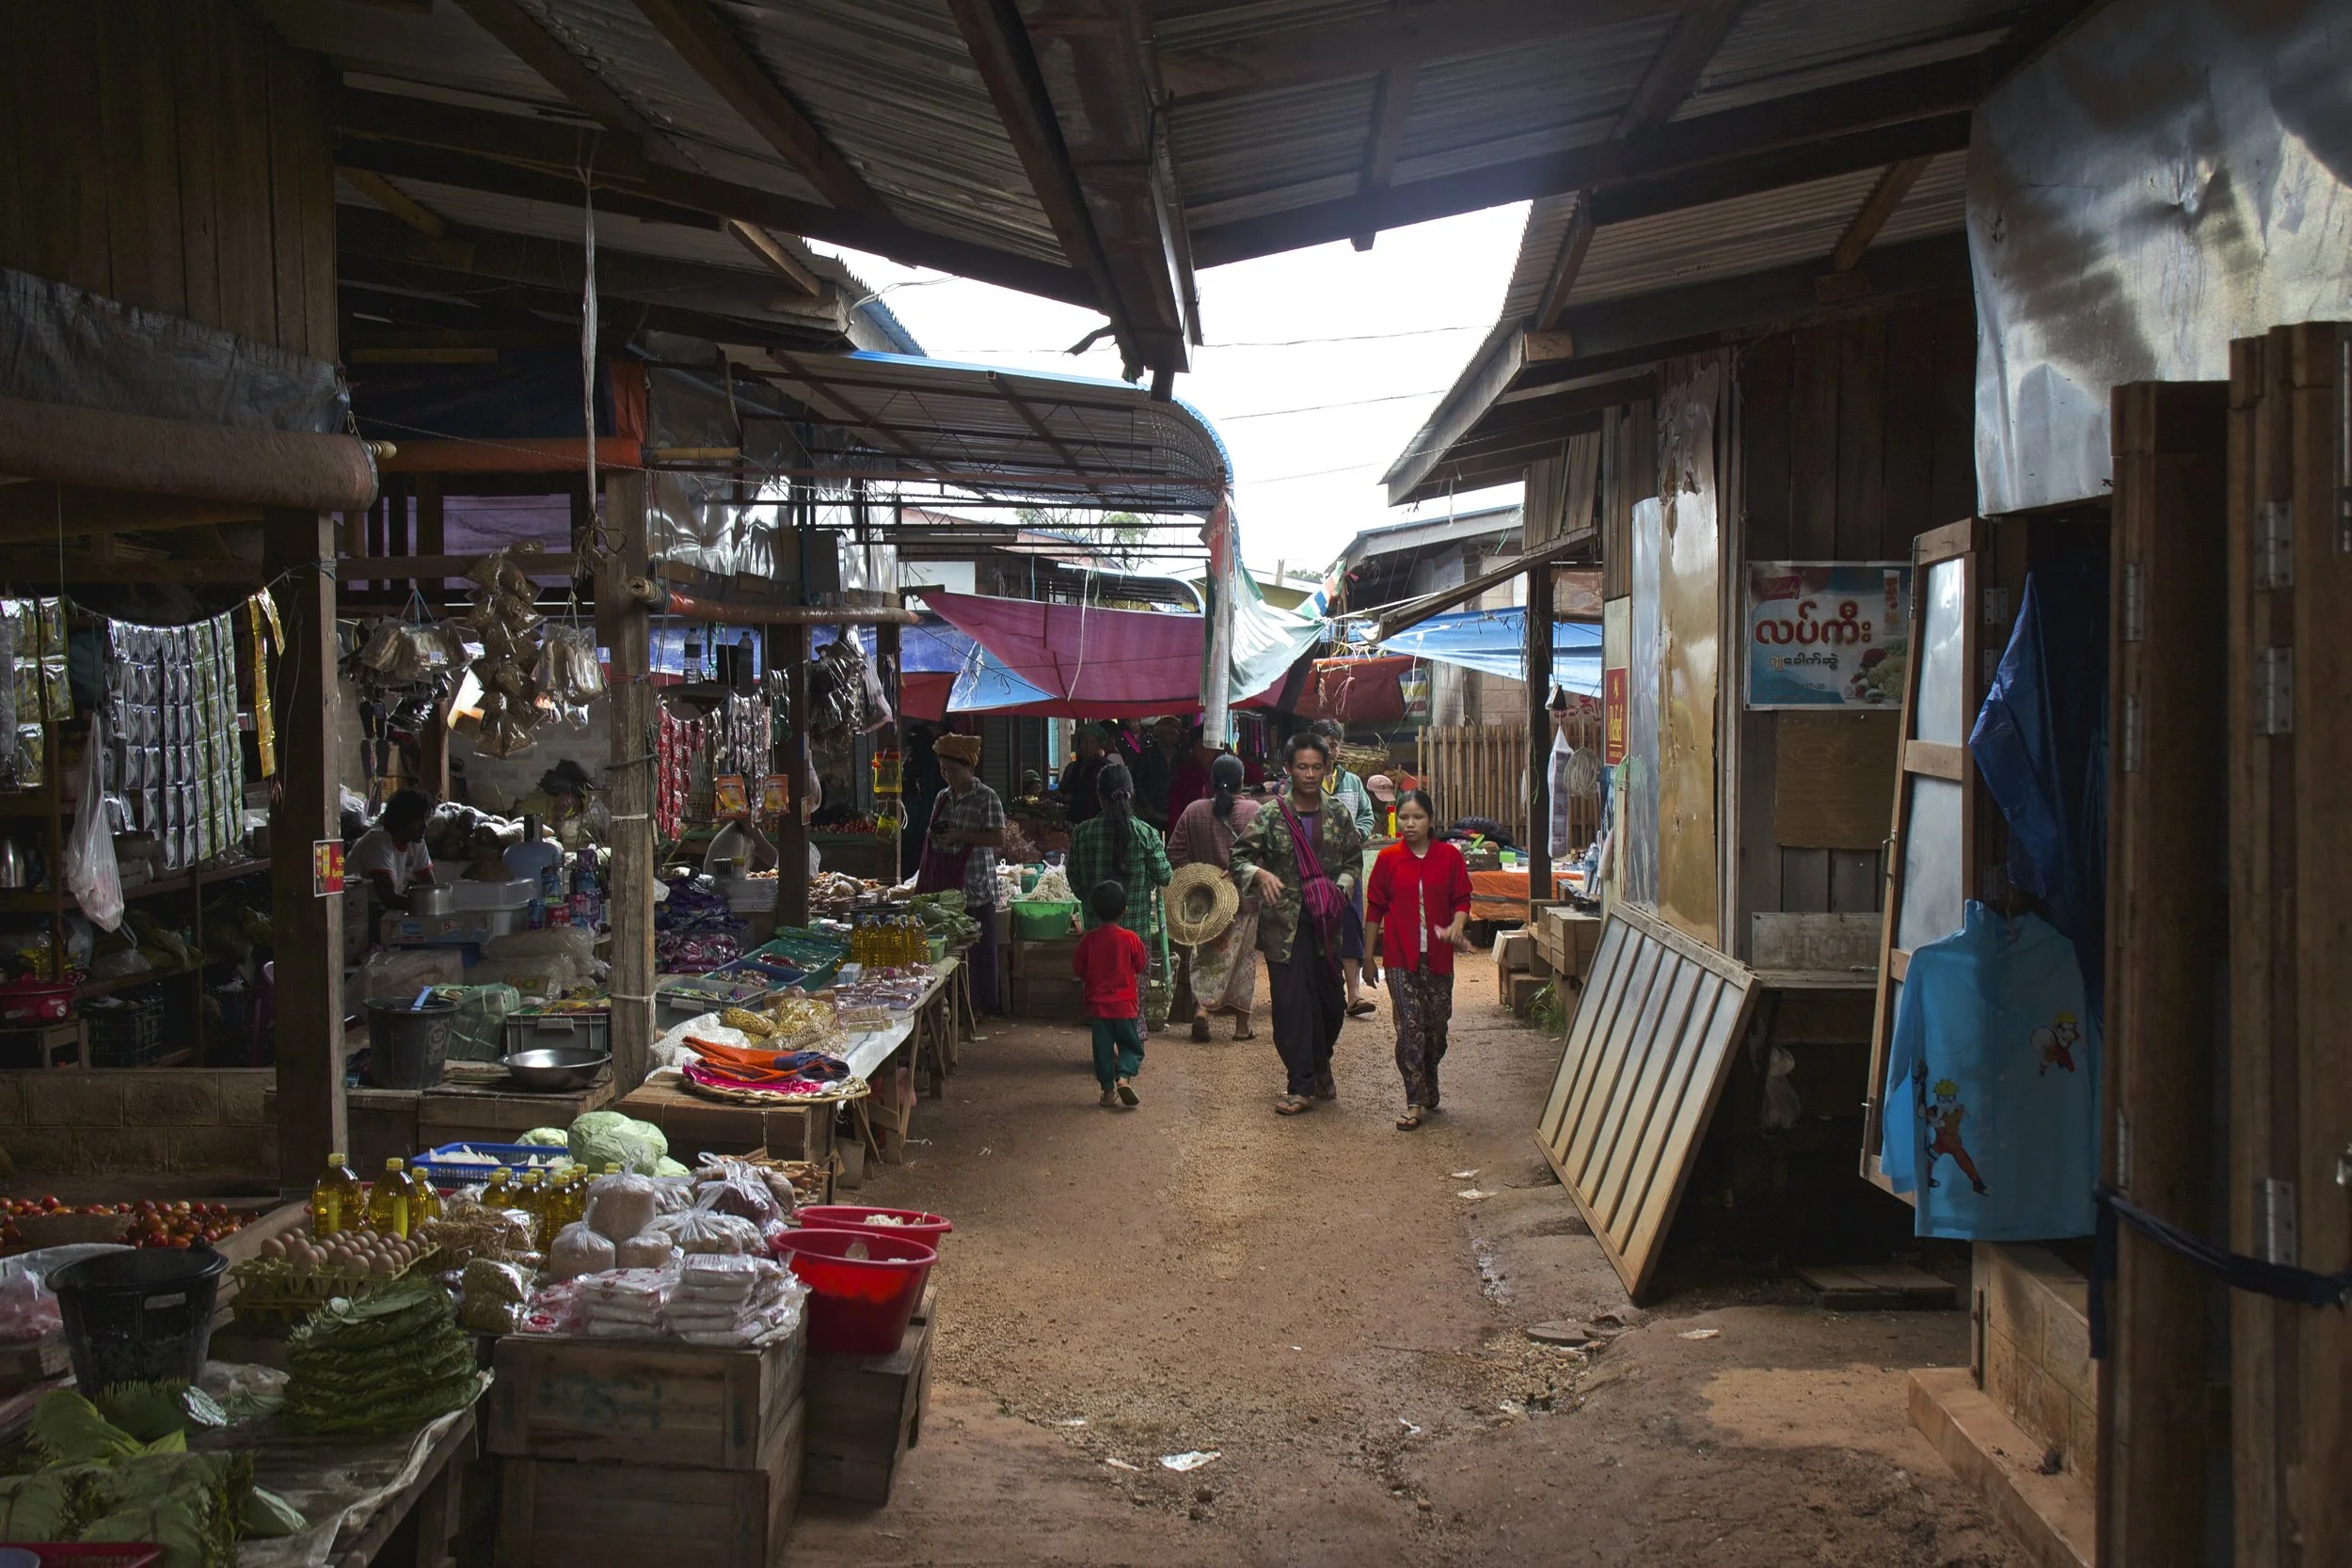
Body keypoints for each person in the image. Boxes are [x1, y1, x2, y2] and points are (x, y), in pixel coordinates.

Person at [1230, 732, 1365, 1116]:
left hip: (1327, 923)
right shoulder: (1270, 814)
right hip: (1282, 926)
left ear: (1327, 769)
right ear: (1288, 770)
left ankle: (1321, 1065)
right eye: (1302, 767)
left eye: (1316, 767)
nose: (1309, 774)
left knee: (1330, 1004)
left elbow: (1353, 860)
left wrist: (1342, 884)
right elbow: (1238, 857)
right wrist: (1259, 874)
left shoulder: (1338, 813)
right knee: (1290, 1005)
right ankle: (1300, 1083)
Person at [1363, 789, 1474, 1131]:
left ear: (1431, 820)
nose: (1410, 825)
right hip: (1399, 957)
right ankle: (1414, 1099)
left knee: (1436, 1029)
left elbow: (1462, 899)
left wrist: (1458, 924)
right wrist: (1368, 956)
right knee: (1409, 1028)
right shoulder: (1388, 859)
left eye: (1418, 817)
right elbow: (1375, 909)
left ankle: (1429, 1076)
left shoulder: (1449, 857)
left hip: (1439, 957)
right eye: (1405, 818)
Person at [1167, 752, 1262, 1041]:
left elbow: (1174, 852)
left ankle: (1202, 1010)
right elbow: (1269, 855)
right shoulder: (1255, 810)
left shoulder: (1193, 810)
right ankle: (1242, 1028)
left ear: (1210, 781)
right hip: (1245, 902)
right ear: (1242, 781)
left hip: (1206, 903)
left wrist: (1201, 876)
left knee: (1206, 958)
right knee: (1244, 962)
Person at [1068, 764, 1173, 1016]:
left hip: (1096, 933)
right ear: (1131, 792)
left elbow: (1075, 880)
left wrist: (1092, 899)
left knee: (1100, 999)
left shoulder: (1083, 833)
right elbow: (1165, 876)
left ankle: (1105, 1042)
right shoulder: (1146, 833)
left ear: (1099, 794)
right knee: (1132, 998)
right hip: (1134, 936)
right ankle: (1130, 1040)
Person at [918, 733, 1006, 1012]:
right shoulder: (943, 797)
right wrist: (941, 837)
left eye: (953, 770)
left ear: (969, 766)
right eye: (943, 770)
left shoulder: (986, 798)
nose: (947, 777)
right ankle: (956, 1006)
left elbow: (998, 838)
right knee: (951, 954)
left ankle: (982, 1007)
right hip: (948, 889)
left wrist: (961, 836)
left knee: (979, 953)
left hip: (977, 885)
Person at [1310, 719, 1379, 1022]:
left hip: (1349, 866)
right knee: (1315, 925)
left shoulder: (1352, 783)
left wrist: (1360, 834)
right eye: (1325, 743)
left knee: (1351, 922)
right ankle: (1317, 995)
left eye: (1334, 744)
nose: (1330, 749)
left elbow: (1367, 815)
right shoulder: (1302, 779)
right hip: (1312, 868)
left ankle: (1354, 994)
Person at [1072, 879, 1149, 1109]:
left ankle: (1107, 1092)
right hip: (1125, 1006)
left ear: (1094, 911)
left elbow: (1079, 967)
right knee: (1131, 1045)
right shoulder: (1130, 939)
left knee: (1103, 1050)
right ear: (1124, 910)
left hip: (1098, 1007)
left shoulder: (1089, 940)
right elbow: (1141, 965)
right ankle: (1124, 1077)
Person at [349, 788, 437, 915]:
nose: (425, 825)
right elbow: (389, 899)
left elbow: (429, 886)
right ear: (402, 819)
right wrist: (431, 905)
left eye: (426, 819)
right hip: (363, 910)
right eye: (418, 820)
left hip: (383, 908)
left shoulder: (415, 841)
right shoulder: (377, 842)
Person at [1134, 715, 1186, 829]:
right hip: (1153, 812)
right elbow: (1137, 783)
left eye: (1173, 733)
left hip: (1177, 811)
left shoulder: (1184, 755)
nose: (1170, 737)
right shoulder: (1147, 755)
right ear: (1159, 735)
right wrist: (1147, 805)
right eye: (1166, 733)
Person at [1057, 724, 1112, 826]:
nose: (1088, 746)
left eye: (1092, 742)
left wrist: (1075, 798)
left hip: (1098, 821)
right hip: (1073, 821)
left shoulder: (1106, 767)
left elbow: (1106, 795)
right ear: (1078, 744)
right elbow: (1063, 789)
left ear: (1099, 745)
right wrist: (1057, 795)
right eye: (1084, 742)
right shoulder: (1072, 767)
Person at [1165, 729, 1217, 827]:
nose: (1204, 750)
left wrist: (1230, 752)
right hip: (1193, 827)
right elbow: (1175, 808)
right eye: (1198, 746)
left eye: (1207, 745)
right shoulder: (1185, 772)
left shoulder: (1224, 769)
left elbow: (1254, 777)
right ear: (1192, 749)